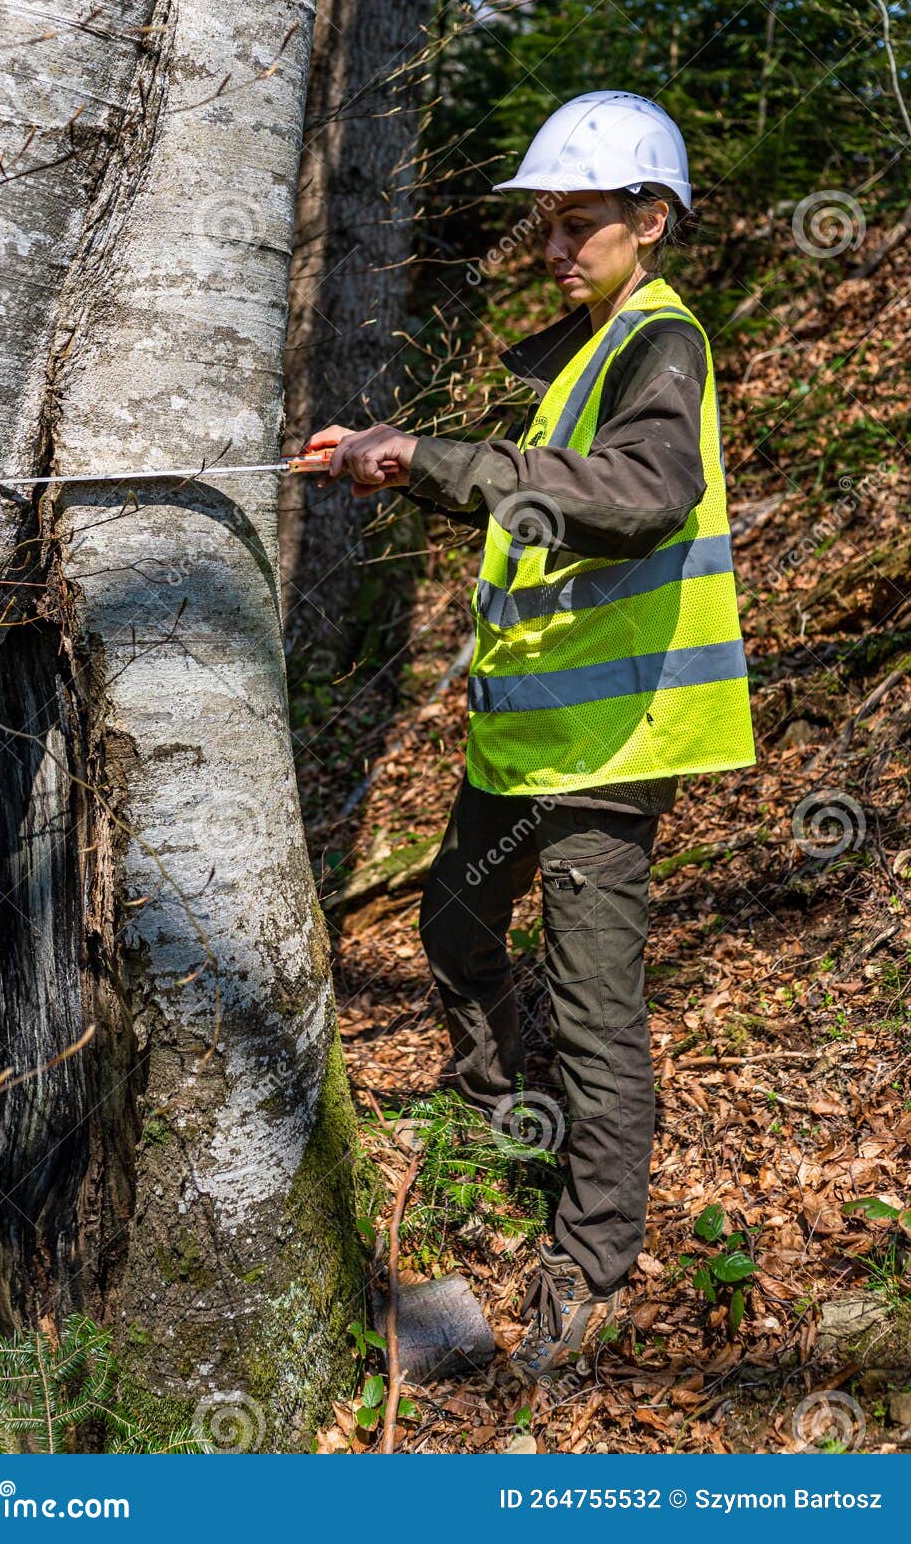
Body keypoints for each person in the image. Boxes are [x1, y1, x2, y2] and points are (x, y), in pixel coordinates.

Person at [306, 90, 756, 1380]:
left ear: (651, 221)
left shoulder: (662, 342)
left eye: (580, 224)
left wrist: (436, 461)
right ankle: (512, 1117)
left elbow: (642, 494)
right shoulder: (586, 348)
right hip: (531, 742)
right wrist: (399, 457)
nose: (554, 248)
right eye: (543, 227)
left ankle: (591, 1264)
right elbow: (535, 483)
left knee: (600, 1005)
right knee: (452, 923)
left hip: (619, 742)